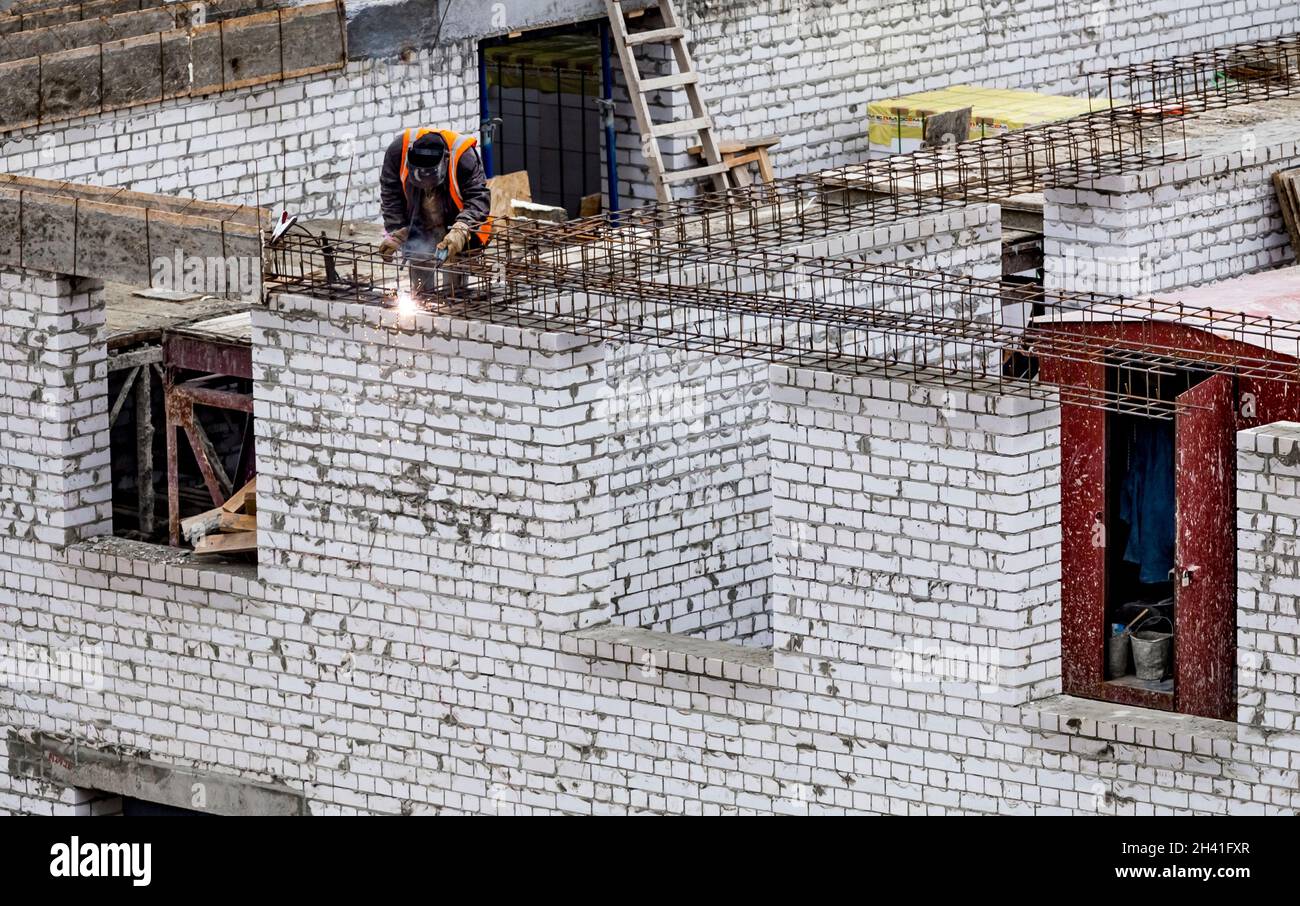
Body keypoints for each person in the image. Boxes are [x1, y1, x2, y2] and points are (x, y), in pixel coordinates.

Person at [377, 128, 492, 290]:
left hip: (453, 222)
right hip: (419, 222)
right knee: (419, 268)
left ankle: (454, 300)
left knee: (454, 283)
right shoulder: (397, 152)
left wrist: (461, 229)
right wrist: (397, 229)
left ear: (445, 160)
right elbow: (390, 192)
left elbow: (478, 198)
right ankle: (421, 297)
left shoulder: (464, 157)